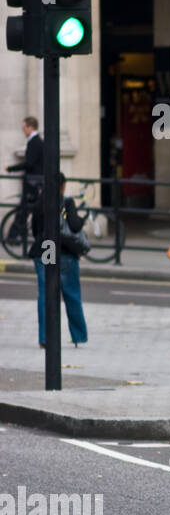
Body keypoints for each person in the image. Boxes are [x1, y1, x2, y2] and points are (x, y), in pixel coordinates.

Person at [29, 172, 88, 349]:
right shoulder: (66, 202)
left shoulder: (40, 203)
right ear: (62, 186)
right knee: (72, 294)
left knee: (45, 294)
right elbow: (76, 226)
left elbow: (35, 229)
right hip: (64, 251)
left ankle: (45, 337)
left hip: (44, 250)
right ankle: (78, 336)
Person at [5, 116, 43, 244]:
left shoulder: (34, 142)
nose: (23, 130)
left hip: (32, 182)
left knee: (24, 210)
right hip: (35, 182)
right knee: (28, 210)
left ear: (30, 127)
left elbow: (30, 163)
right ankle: (17, 235)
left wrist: (11, 168)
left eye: (24, 127)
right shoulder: (36, 141)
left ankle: (14, 236)